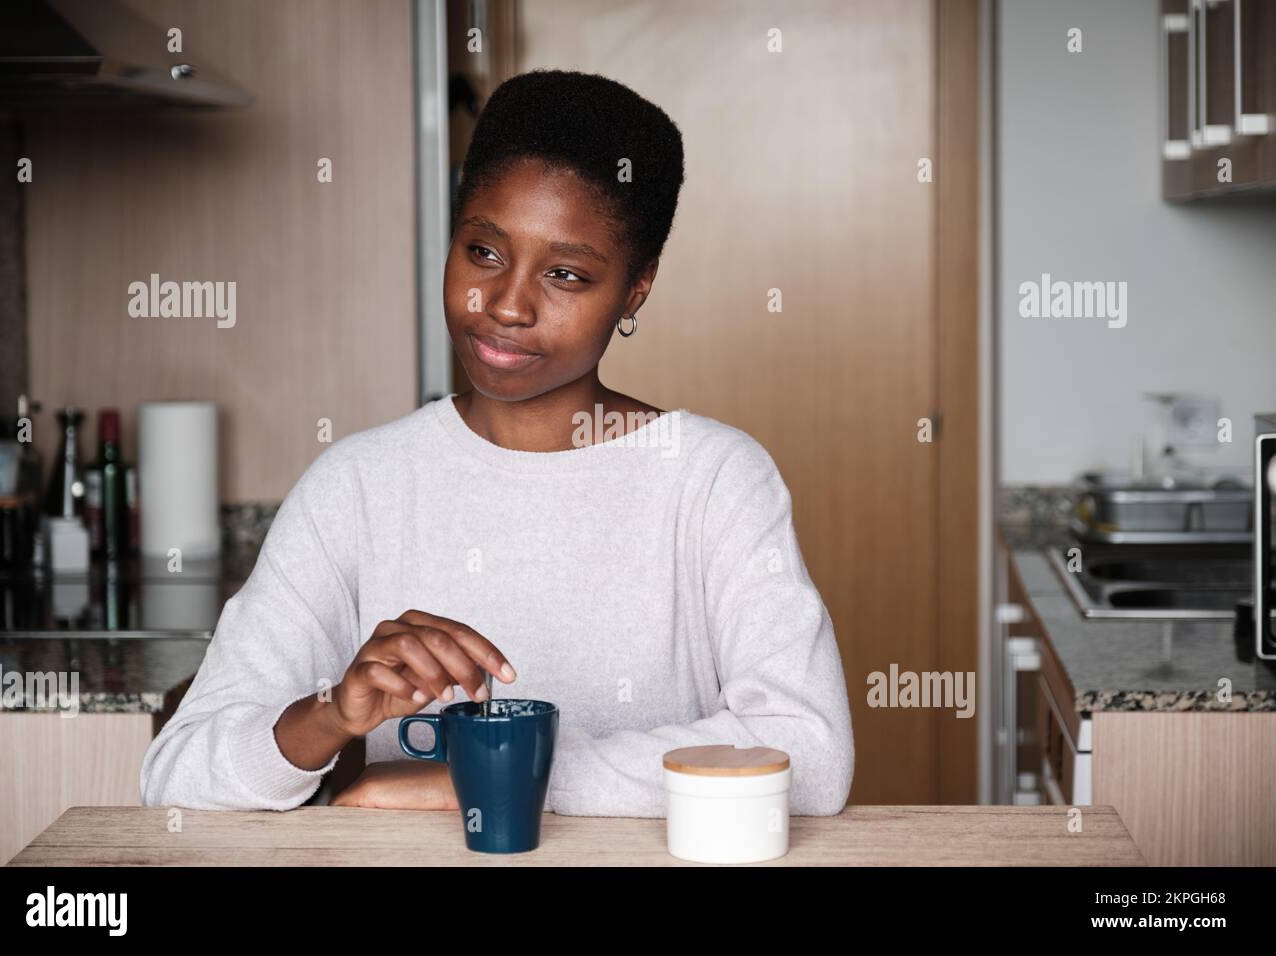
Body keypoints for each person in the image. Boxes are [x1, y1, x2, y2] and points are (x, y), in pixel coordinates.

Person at [140, 69, 854, 817]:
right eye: (483, 252)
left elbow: (808, 755)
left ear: (636, 290)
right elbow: (175, 781)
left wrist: (490, 780)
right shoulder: (358, 485)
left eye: (567, 274)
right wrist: (329, 715)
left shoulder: (712, 480)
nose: (508, 305)